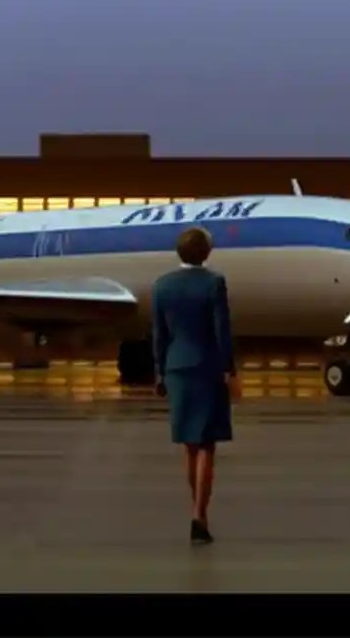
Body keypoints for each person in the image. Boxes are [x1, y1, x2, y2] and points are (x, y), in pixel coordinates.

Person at [151, 225, 237, 545]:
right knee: (206, 446)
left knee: (189, 444)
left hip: (176, 368)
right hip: (207, 369)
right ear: (206, 252)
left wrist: (160, 373)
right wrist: (230, 371)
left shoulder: (162, 286)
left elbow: (159, 335)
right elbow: (221, 332)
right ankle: (199, 515)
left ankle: (196, 508)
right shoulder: (214, 283)